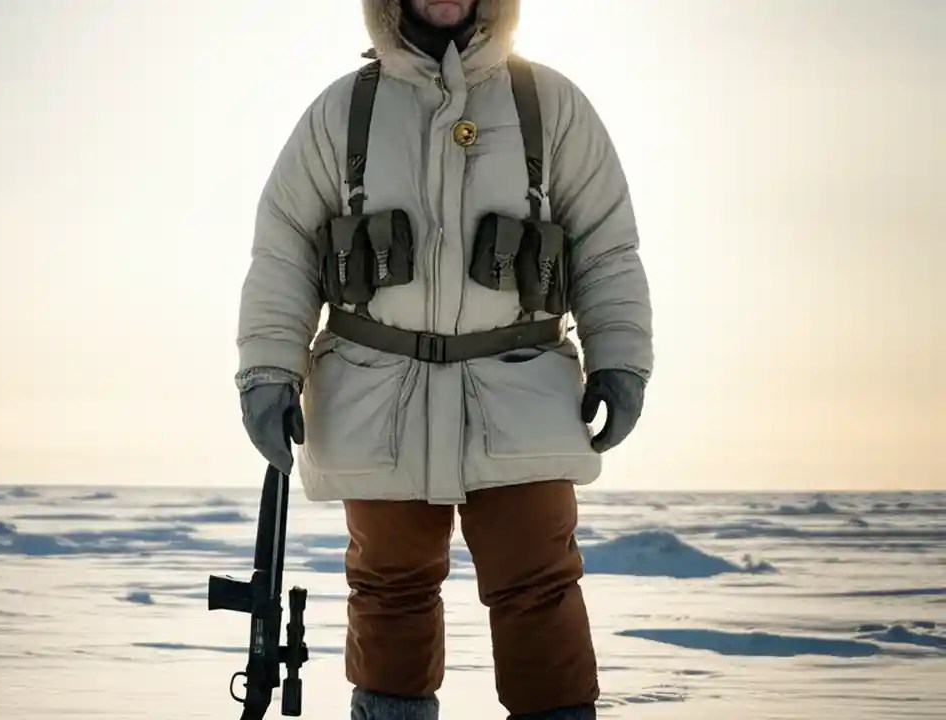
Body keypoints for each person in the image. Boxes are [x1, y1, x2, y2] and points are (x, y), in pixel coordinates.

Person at [235, 0, 653, 718]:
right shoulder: (344, 112)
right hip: (377, 394)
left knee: (540, 586)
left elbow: (605, 243)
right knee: (389, 588)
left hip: (520, 391)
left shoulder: (550, 104)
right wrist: (269, 369)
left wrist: (621, 357)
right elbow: (285, 249)